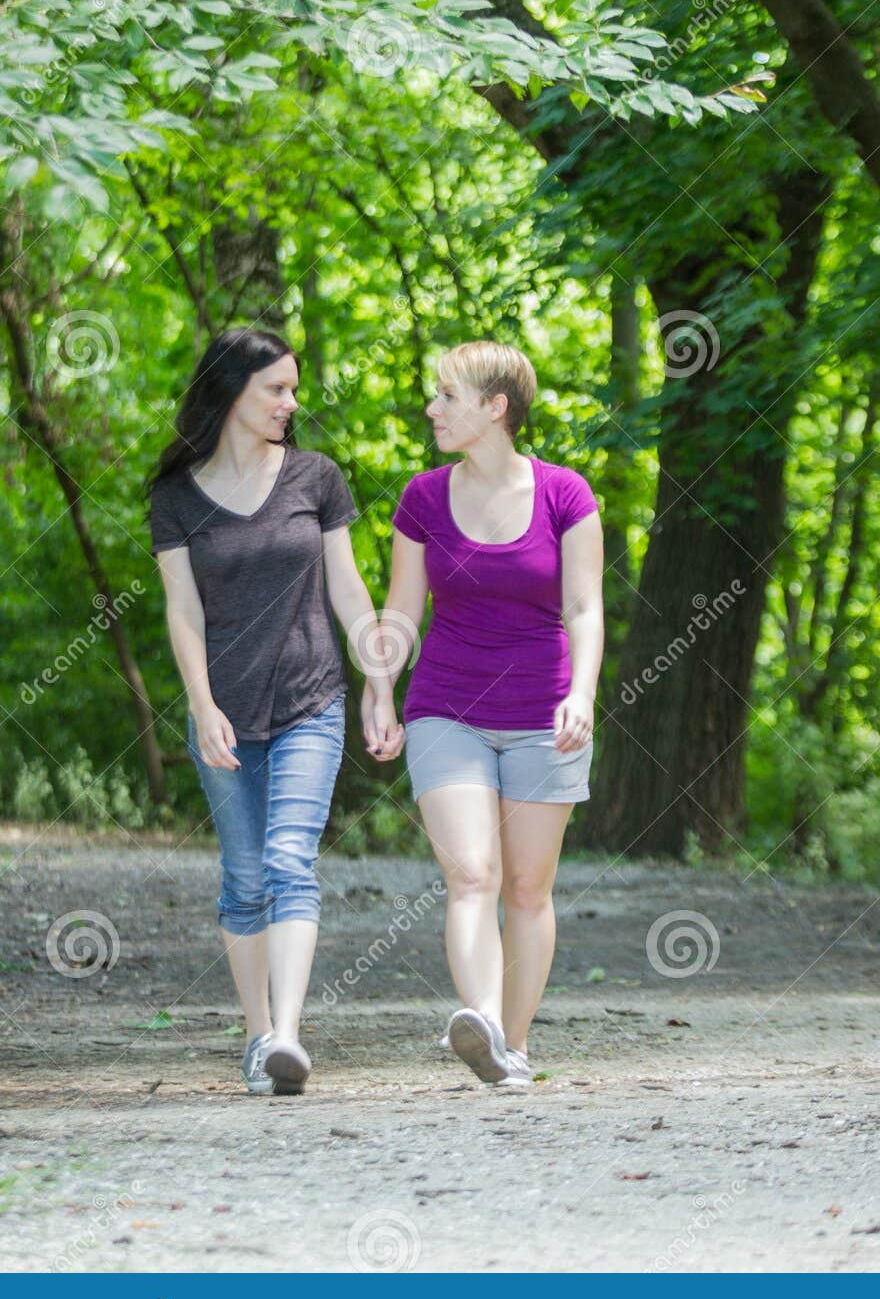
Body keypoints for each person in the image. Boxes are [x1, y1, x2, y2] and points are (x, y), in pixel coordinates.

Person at [147, 327, 401, 1096]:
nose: (291, 404)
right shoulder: (176, 495)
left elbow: (349, 589)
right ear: (230, 392)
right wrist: (199, 705)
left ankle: (288, 1037)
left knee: (292, 862)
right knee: (244, 876)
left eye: (293, 389)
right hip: (222, 708)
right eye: (276, 390)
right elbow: (181, 610)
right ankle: (257, 1036)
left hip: (308, 697)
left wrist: (379, 681)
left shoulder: (315, 479)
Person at [368, 340, 604, 1087]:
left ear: (495, 407)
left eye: (447, 395)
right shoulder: (423, 498)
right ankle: (482, 1022)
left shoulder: (567, 495)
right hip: (446, 707)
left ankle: (513, 1048)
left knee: (528, 890)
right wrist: (378, 691)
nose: (432, 407)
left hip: (544, 711)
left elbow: (583, 607)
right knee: (472, 873)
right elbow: (401, 610)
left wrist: (583, 694)